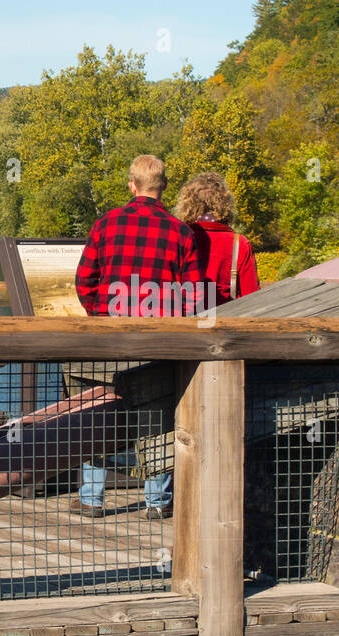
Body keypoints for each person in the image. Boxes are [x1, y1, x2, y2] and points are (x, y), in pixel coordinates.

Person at [71, 155, 204, 520]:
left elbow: (84, 282)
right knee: (157, 417)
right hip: (158, 340)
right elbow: (193, 294)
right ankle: (156, 503)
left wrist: (99, 314)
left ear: (132, 185)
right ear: (162, 187)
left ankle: (91, 498)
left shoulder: (106, 223)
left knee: (97, 412)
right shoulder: (180, 232)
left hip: (110, 337)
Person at [175, 171, 259, 305]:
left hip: (186, 320)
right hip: (227, 320)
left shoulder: (179, 239)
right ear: (225, 204)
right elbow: (253, 297)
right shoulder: (239, 244)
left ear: (187, 205)